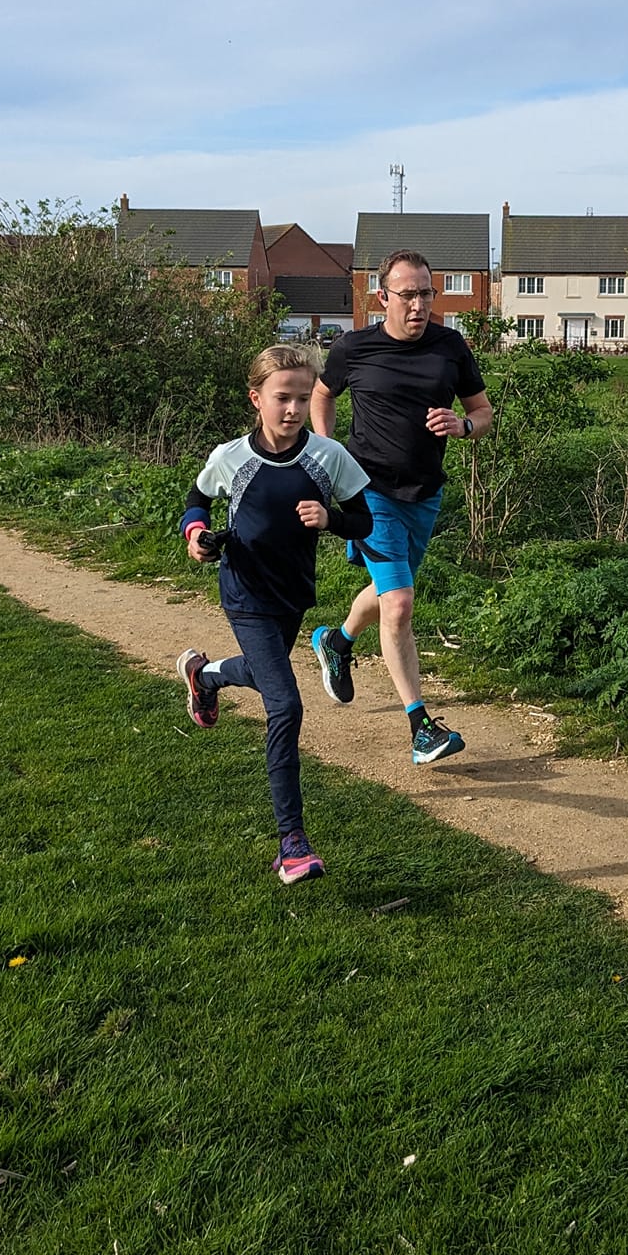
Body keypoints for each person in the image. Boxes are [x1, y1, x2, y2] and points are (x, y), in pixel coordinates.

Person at [176, 342, 372, 884]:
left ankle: (207, 675)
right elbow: (197, 502)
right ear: (256, 398)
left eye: (302, 399)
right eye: (282, 398)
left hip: (292, 595)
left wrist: (329, 519)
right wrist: (197, 535)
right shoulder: (230, 457)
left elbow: (363, 522)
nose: (292, 409)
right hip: (244, 592)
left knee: (264, 672)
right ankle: (292, 842)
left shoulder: (328, 457)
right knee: (284, 704)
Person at [309, 249, 493, 762]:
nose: (418, 305)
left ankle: (337, 642)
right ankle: (421, 729)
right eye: (407, 295)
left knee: (392, 591)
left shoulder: (449, 346)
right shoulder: (354, 348)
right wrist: (327, 452)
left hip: (425, 493)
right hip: (369, 491)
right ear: (382, 297)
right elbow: (322, 396)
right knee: (401, 603)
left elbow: (482, 410)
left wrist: (463, 426)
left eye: (426, 294)